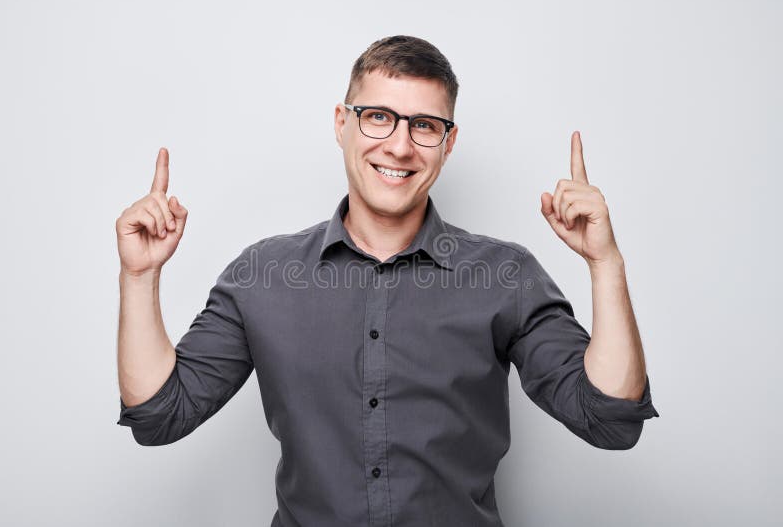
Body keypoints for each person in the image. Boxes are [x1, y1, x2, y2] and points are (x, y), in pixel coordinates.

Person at [115, 35, 659, 527]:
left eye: (424, 125)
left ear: (448, 143)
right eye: (378, 116)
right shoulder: (261, 276)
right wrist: (139, 277)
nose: (399, 146)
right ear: (341, 123)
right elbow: (161, 416)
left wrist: (605, 264)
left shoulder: (504, 276)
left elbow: (610, 420)